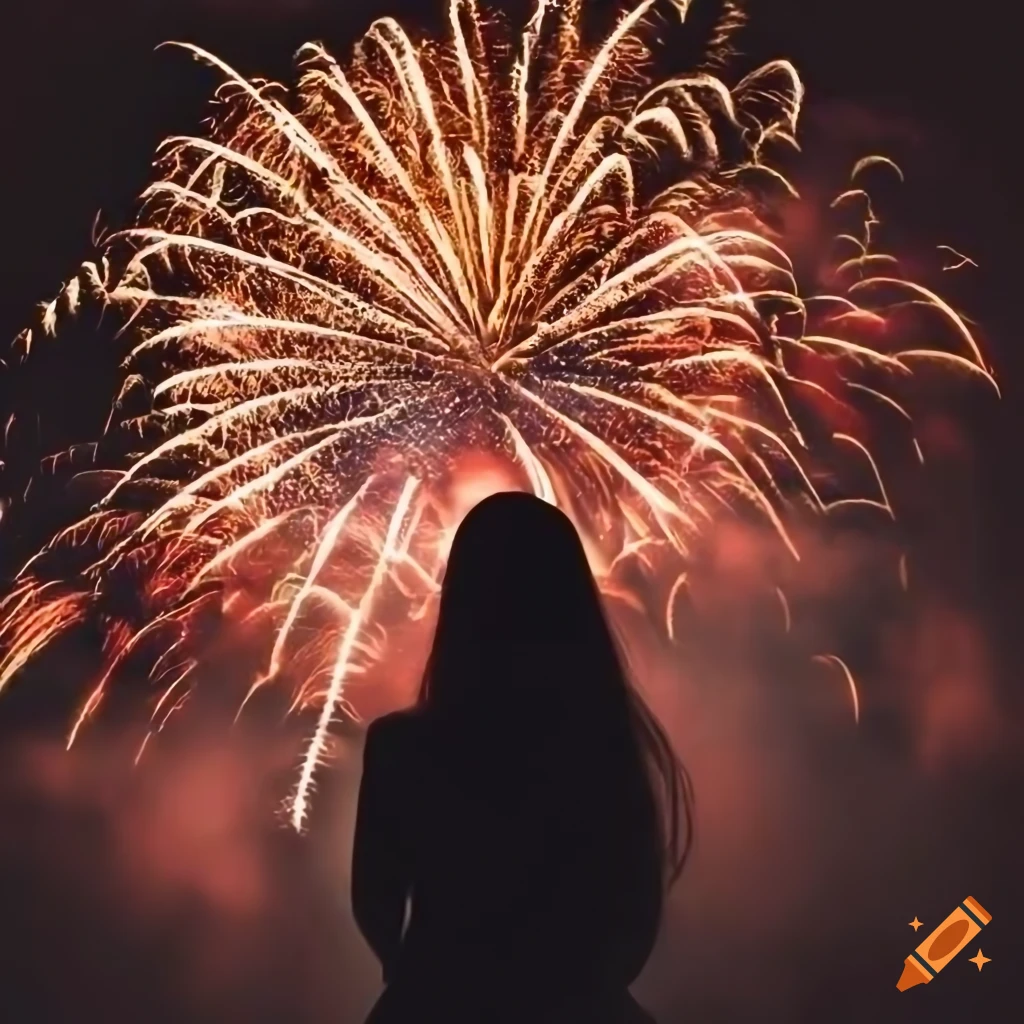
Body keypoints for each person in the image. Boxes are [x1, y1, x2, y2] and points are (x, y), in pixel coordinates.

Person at [352, 492, 693, 1023]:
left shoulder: (400, 746)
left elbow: (374, 903)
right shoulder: (603, 748)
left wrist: (414, 974)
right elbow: (636, 914)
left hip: (435, 997)